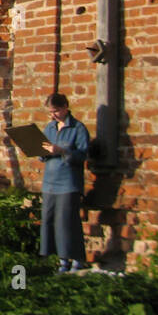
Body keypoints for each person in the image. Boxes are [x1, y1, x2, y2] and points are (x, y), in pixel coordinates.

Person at [38, 93, 90, 272]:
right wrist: (42, 152)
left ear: (65, 107)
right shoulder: (50, 128)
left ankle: (77, 259)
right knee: (49, 220)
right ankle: (62, 260)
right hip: (50, 182)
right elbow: (41, 154)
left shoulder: (78, 128)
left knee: (67, 221)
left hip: (69, 182)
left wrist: (62, 151)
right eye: (51, 112)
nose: (53, 115)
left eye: (56, 111)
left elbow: (82, 155)